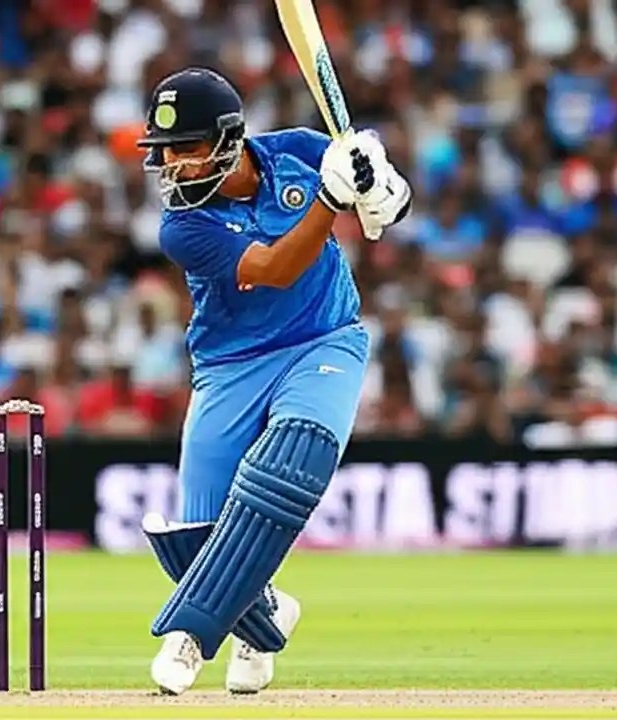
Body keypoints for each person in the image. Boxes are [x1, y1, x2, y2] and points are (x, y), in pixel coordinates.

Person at [135, 67, 411, 695]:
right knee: (196, 542)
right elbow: (275, 269)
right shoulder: (182, 227)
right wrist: (332, 203)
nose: (172, 165)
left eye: (184, 148)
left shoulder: (301, 153)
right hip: (230, 365)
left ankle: (192, 635)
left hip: (323, 340)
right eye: (164, 153)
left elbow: (383, 208)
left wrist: (382, 190)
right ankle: (262, 626)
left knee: (299, 449)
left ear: (230, 141)